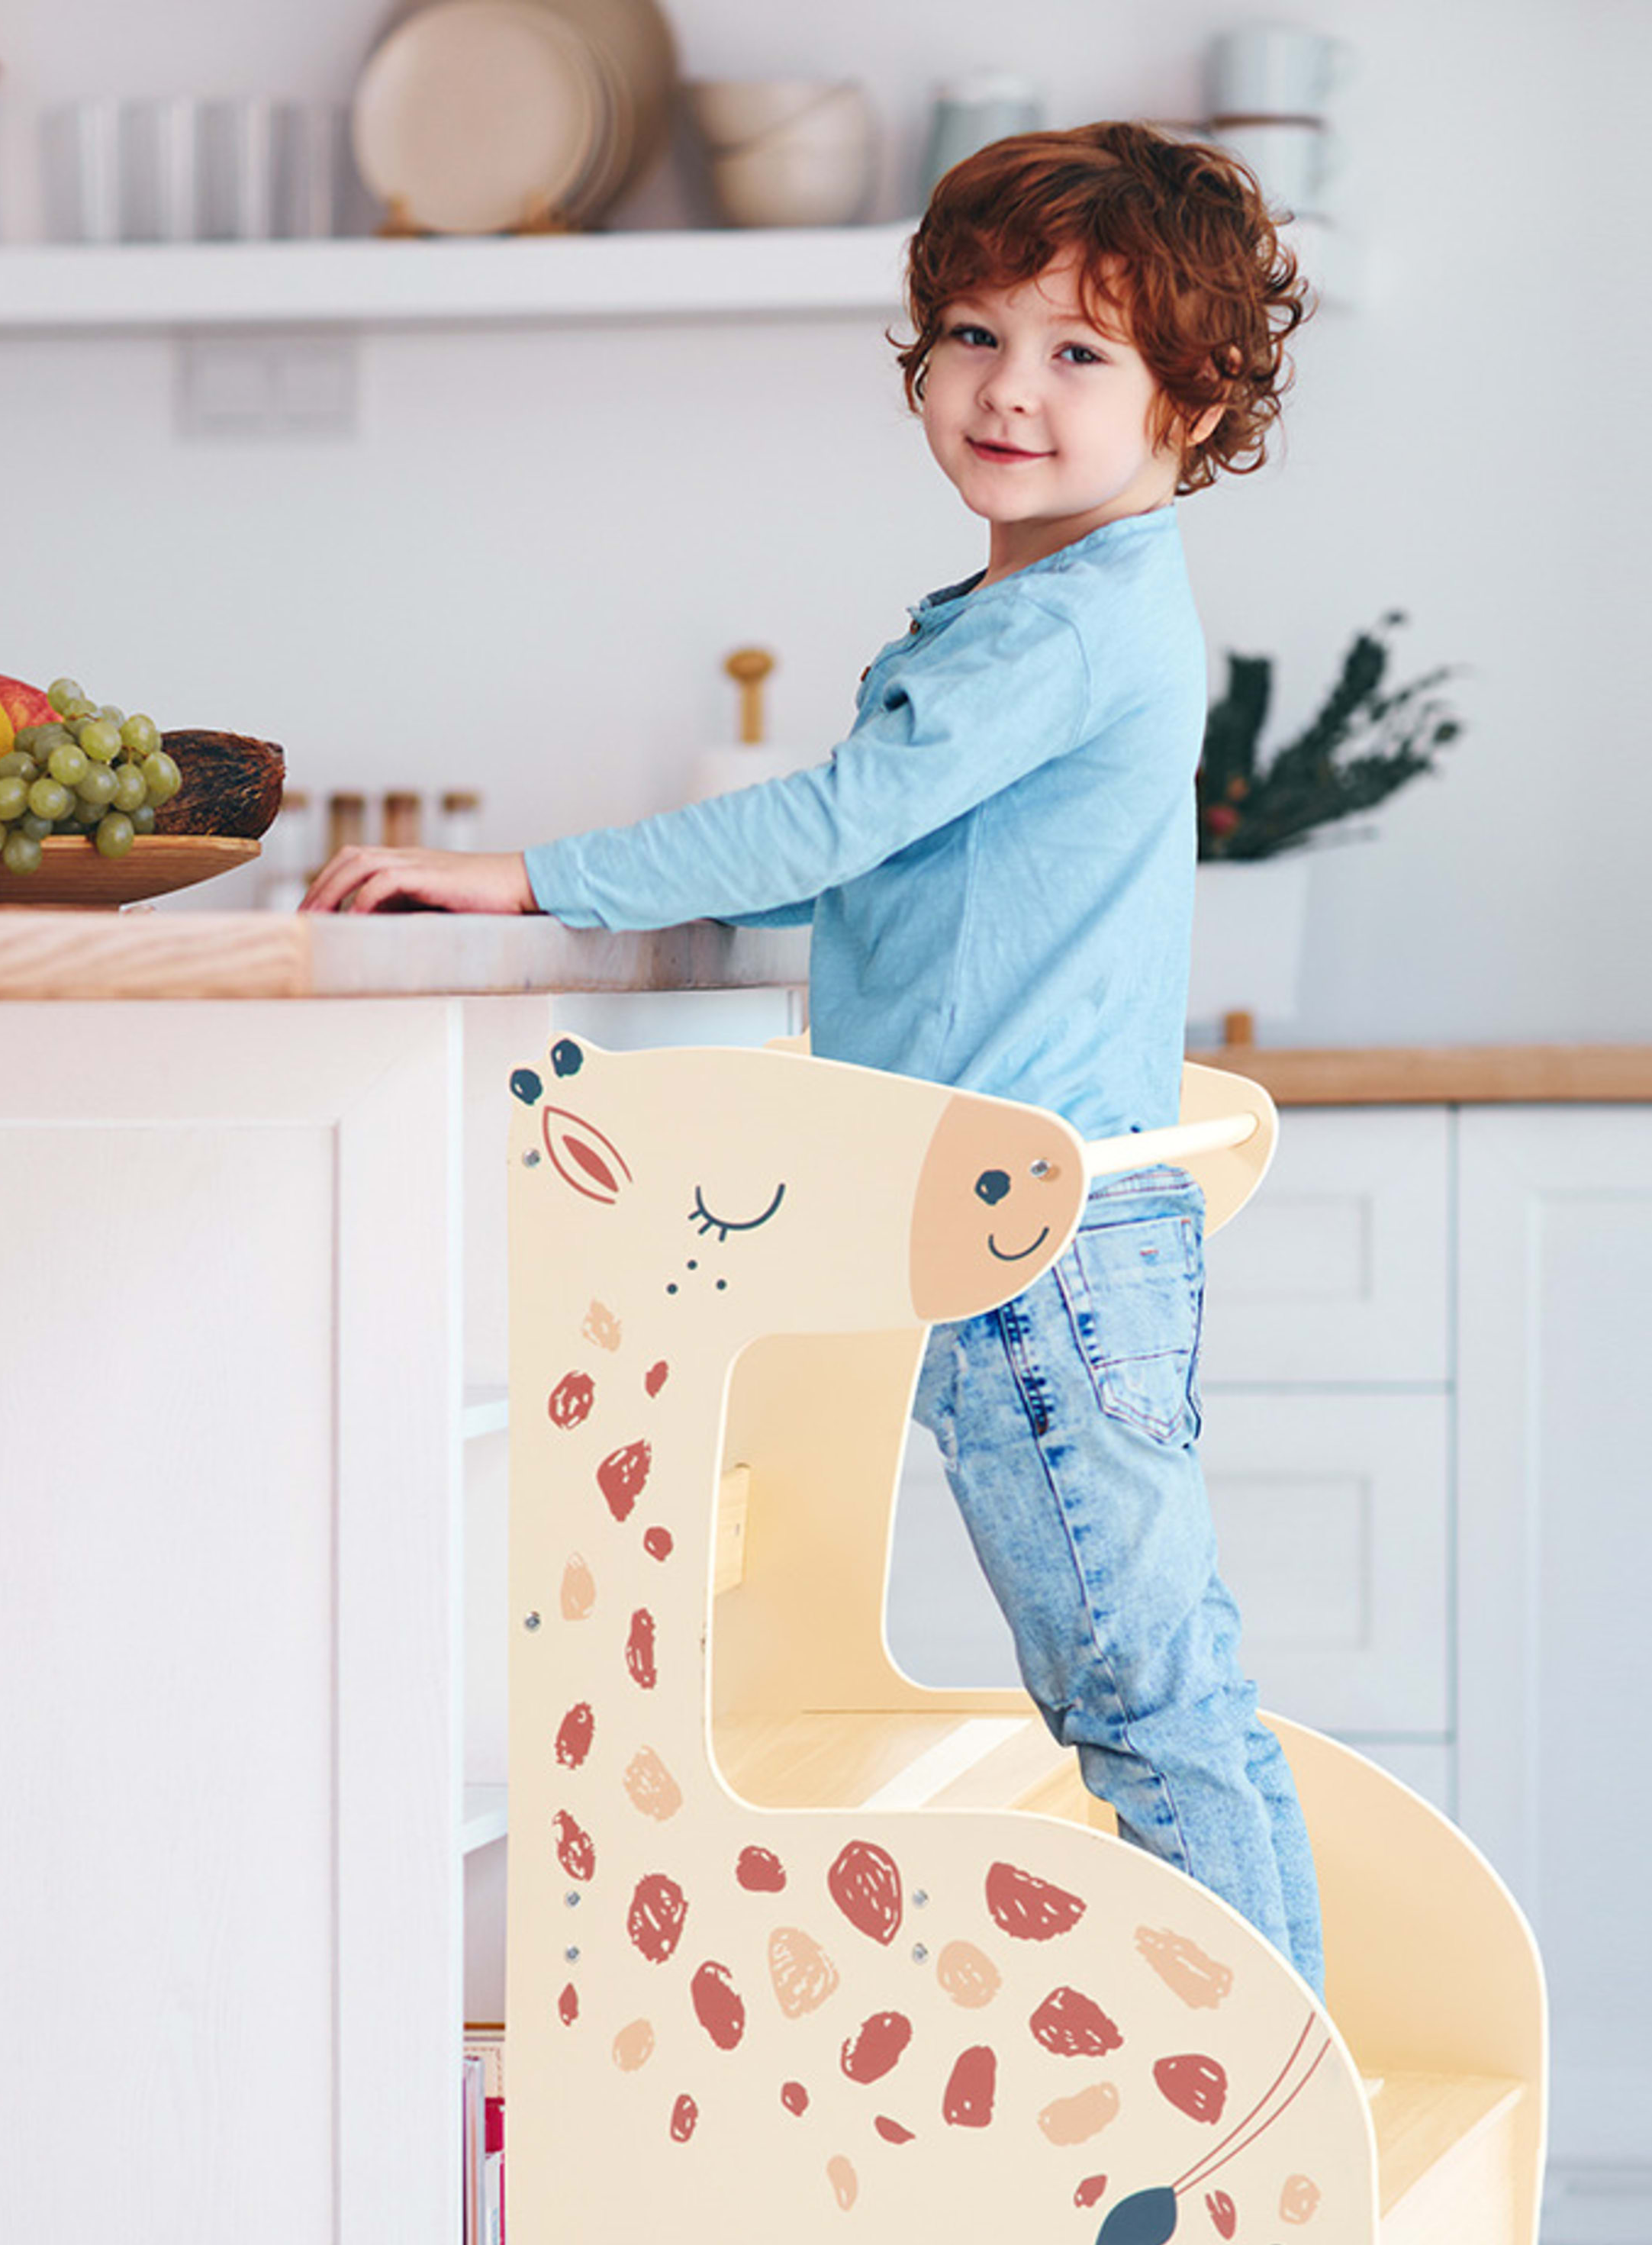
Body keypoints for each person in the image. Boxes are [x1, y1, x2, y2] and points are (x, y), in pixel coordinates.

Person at [302, 124, 1325, 1990]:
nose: (1009, 388)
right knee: (1163, 1693)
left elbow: (823, 832)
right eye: (971, 335)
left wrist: (522, 874)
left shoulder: (1062, 629)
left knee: (1140, 1701)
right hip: (1028, 1224)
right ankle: (1278, 2108)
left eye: (1081, 352)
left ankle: (1260, 2129)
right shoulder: (1058, 608)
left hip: (1038, 1251)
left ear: (1195, 397)